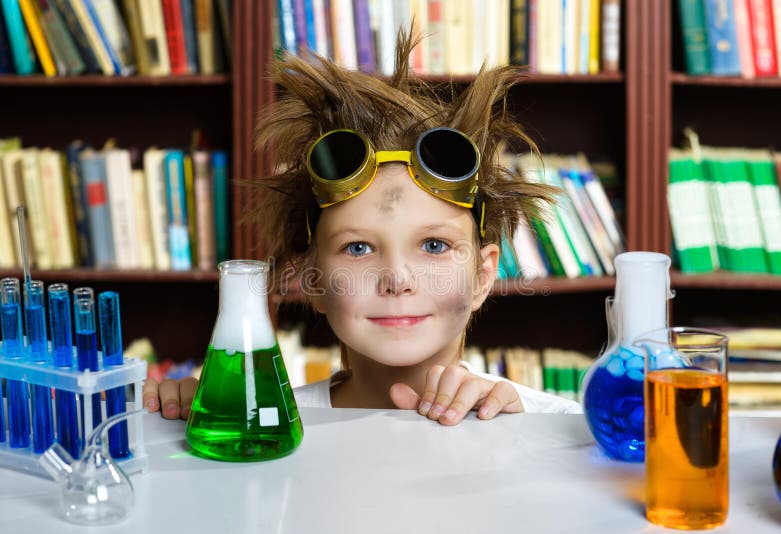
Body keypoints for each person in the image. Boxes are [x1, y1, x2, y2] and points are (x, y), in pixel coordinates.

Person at [143, 30, 581, 425]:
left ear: (483, 276)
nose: (397, 280)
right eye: (358, 249)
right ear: (310, 280)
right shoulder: (266, 426)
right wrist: (176, 418)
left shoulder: (552, 423)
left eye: (433, 244)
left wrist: (524, 438)